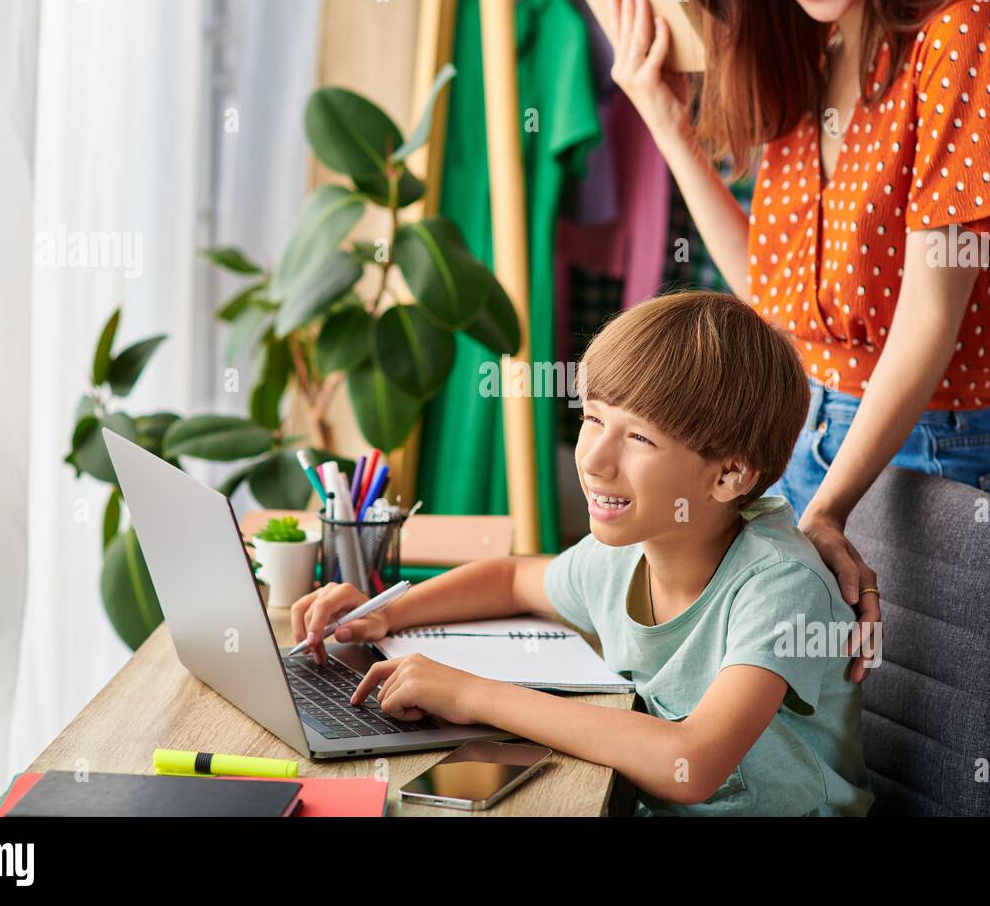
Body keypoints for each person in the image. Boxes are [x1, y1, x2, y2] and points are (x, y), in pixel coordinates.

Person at [607, 0, 990, 676]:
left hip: (920, 457)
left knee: (909, 774)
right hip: (793, 440)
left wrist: (830, 507)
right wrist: (663, 118)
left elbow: (929, 320)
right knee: (804, 764)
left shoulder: (966, 35)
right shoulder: (815, 44)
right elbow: (772, 291)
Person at [292, 292, 873, 816]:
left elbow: (693, 763)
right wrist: (387, 612)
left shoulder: (779, 585)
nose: (593, 459)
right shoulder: (625, 553)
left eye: (639, 437)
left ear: (729, 476)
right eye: (593, 418)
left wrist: (473, 694)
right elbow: (513, 580)